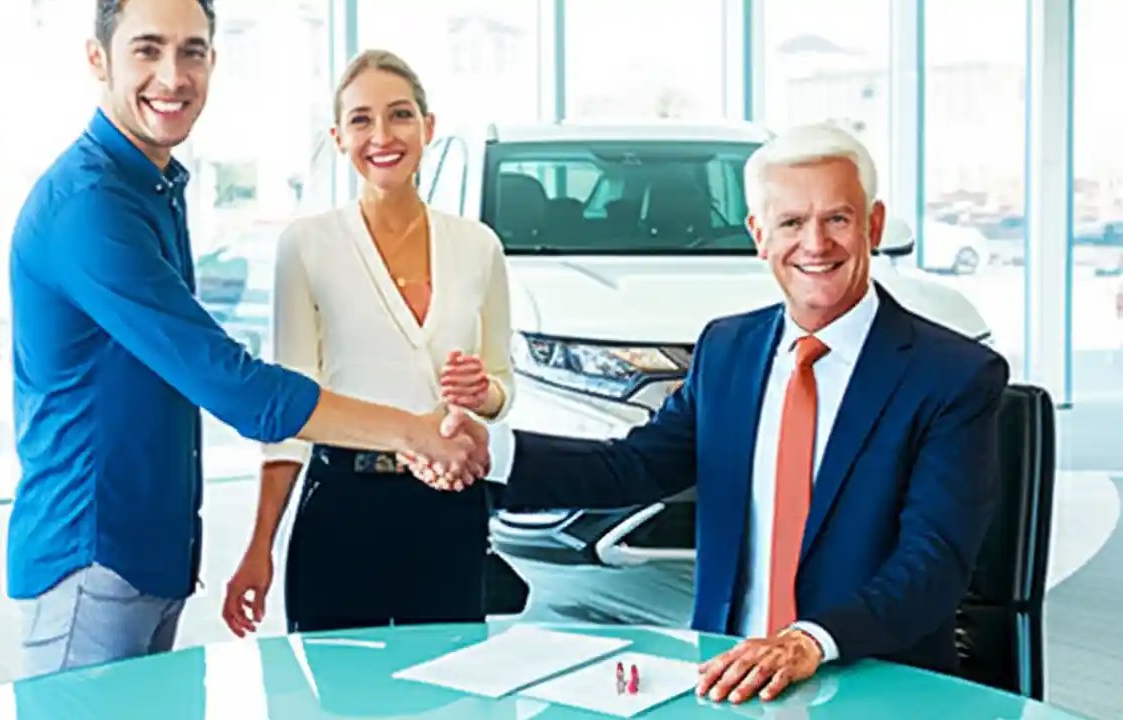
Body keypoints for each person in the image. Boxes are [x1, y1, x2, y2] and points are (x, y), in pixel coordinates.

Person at [410, 123, 1010, 704]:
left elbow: (933, 563)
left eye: (837, 219)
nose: (815, 244)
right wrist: (494, 450)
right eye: (792, 222)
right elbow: (636, 466)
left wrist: (810, 642)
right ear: (759, 235)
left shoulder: (951, 375)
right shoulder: (727, 350)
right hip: (724, 681)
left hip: (874, 682)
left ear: (873, 225)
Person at [6, 1, 486, 678]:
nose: (172, 76)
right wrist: (414, 431)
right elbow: (235, 385)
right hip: (92, 554)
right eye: (146, 50)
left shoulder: (153, 187)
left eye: (192, 51)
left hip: (151, 554)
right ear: (97, 59)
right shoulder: (90, 205)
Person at [220, 49, 516, 636]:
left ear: (428, 127)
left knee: (448, 691)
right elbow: (292, 409)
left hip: (448, 508)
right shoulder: (306, 244)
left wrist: (483, 394)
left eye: (400, 115)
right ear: (338, 136)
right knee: (341, 695)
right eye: (360, 120)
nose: (382, 135)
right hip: (341, 507)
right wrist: (260, 545)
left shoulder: (478, 245)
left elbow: (503, 388)